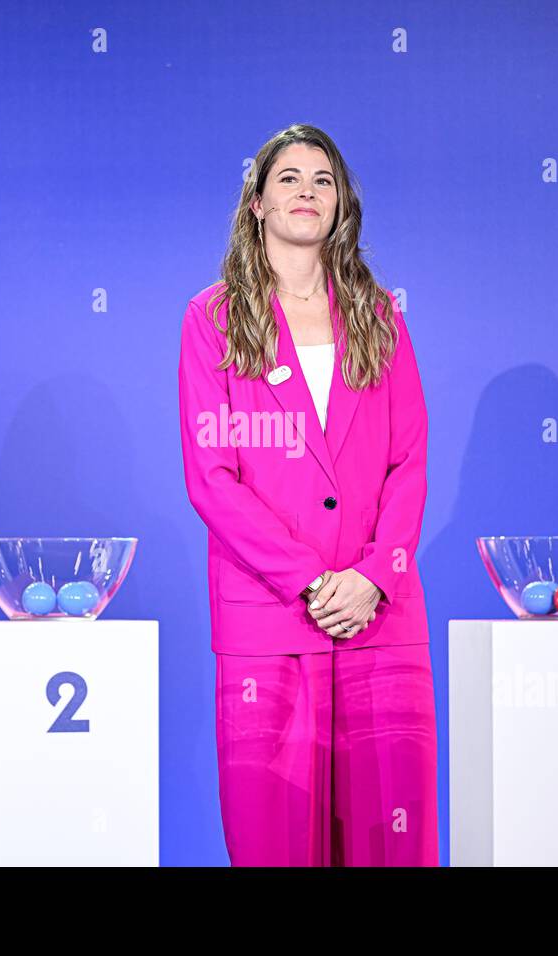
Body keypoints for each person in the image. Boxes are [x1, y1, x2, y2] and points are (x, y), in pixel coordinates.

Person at [177, 124, 438, 866]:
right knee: (276, 844)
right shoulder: (212, 321)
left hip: (378, 622)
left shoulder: (380, 316)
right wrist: (314, 581)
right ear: (257, 203)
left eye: (322, 180)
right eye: (288, 178)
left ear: (341, 203)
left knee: (390, 845)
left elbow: (409, 463)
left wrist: (373, 577)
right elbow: (211, 478)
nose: (306, 192)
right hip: (272, 620)